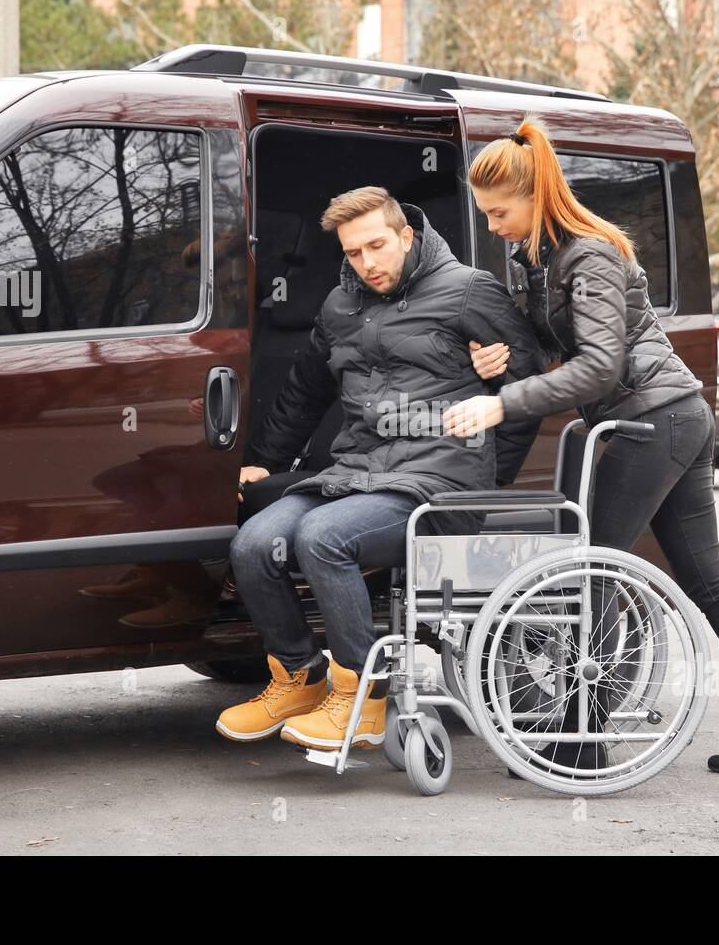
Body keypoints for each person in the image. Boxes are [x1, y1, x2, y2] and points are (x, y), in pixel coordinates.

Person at [442, 115, 719, 777]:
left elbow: (601, 367)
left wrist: (501, 401)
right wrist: (499, 368)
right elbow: (543, 360)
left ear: (534, 195)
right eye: (486, 214)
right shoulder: (536, 256)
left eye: (499, 212)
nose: (492, 226)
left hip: (655, 420)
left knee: (592, 572)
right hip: (664, 418)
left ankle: (583, 738)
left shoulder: (590, 255)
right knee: (705, 580)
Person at [215, 186, 544, 751]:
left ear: (406, 235)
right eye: (354, 253)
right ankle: (297, 677)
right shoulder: (339, 308)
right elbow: (304, 392)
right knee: (253, 542)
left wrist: (488, 482)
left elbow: (525, 384)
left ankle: (361, 698)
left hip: (437, 480)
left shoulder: (469, 292)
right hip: (357, 471)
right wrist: (264, 463)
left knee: (321, 538)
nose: (367, 263)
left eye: (377, 246)